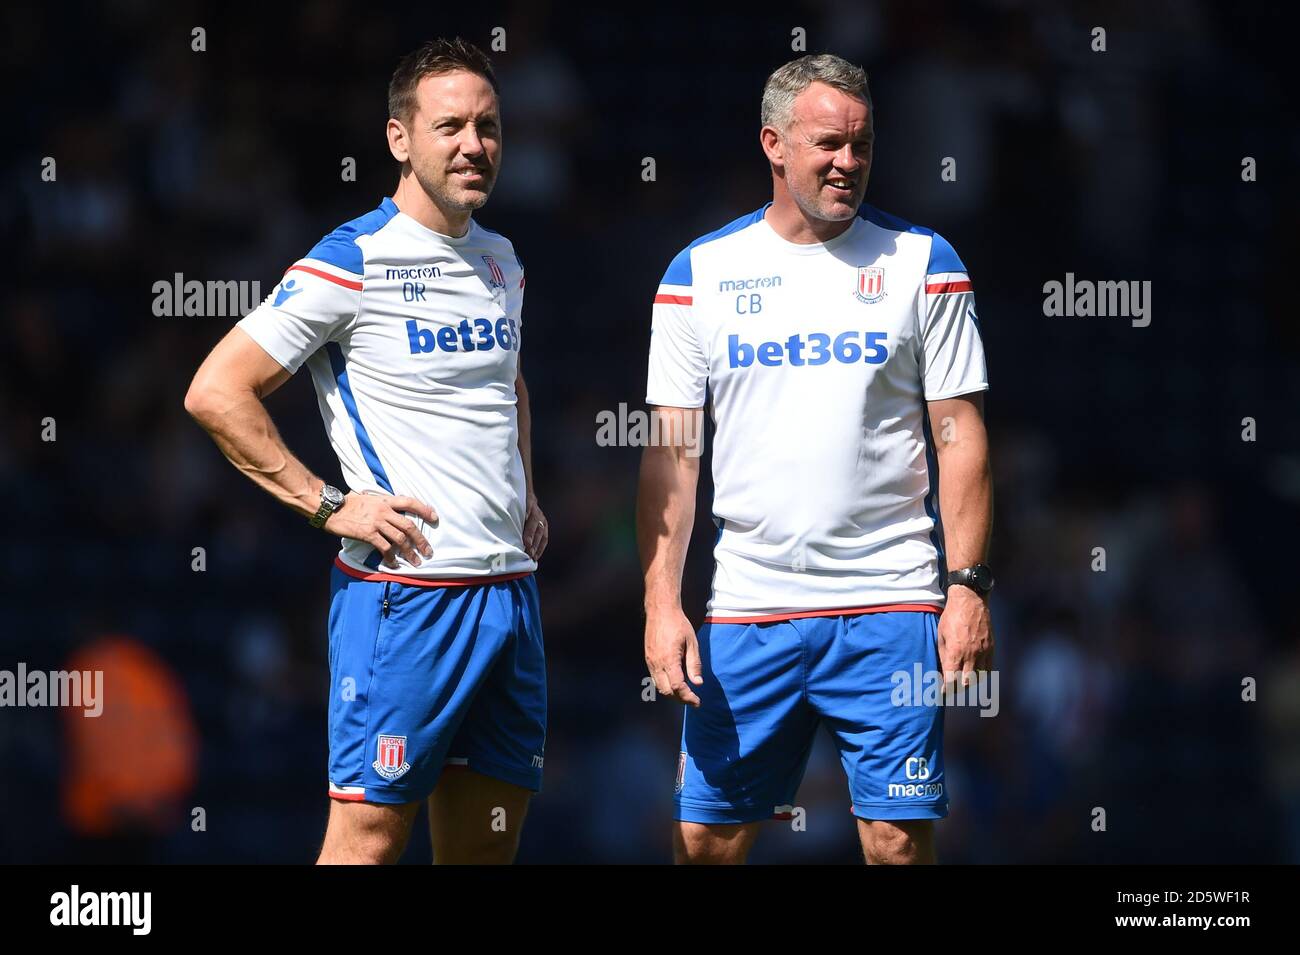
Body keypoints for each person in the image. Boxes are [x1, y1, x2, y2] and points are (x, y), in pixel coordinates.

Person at [184, 37, 547, 864]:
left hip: (509, 600)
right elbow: (215, 390)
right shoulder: (352, 259)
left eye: (488, 127)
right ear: (399, 139)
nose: (473, 146)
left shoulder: (502, 258)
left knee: (488, 847)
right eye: (450, 126)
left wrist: (525, 491)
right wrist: (328, 503)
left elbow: (508, 382)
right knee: (367, 844)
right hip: (405, 600)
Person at [637, 53, 994, 864]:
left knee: (898, 842)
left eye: (862, 145)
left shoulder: (924, 263)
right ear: (774, 143)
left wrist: (967, 587)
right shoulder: (699, 275)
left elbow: (960, 436)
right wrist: (663, 603)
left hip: (892, 598)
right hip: (749, 604)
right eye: (829, 143)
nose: (848, 163)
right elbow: (671, 459)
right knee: (705, 840)